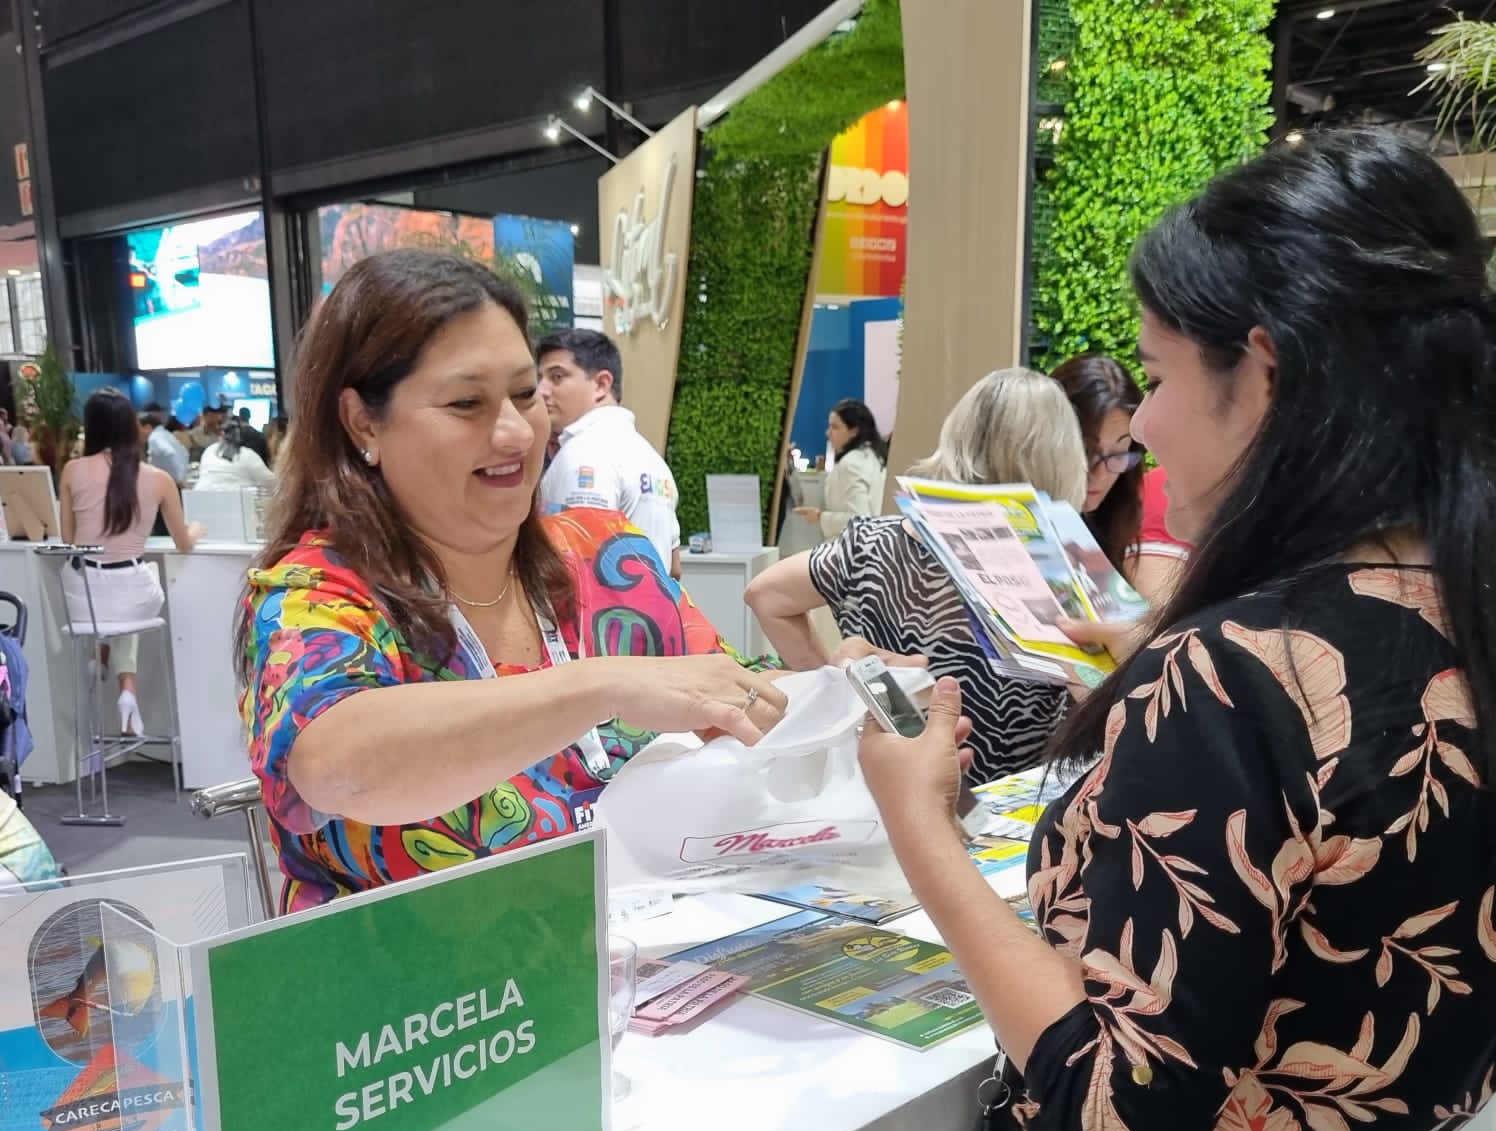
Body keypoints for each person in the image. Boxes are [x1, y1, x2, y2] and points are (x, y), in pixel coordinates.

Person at [858, 129, 1496, 1131]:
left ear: (1262, 369)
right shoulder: (1453, 613)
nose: (1138, 422)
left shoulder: (1229, 673)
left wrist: (924, 834)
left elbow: (1126, 1107)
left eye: (1157, 374)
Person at [237, 251, 785, 914]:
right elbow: (333, 761)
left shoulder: (608, 554)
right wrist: (601, 685)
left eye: (527, 395)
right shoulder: (312, 596)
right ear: (362, 423)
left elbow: (728, 695)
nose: (515, 433)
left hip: (657, 968)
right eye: (467, 403)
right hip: (435, 1006)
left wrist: (839, 685)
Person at [746, 367, 1087, 783]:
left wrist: (835, 686)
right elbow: (1112, 706)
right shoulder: (1054, 570)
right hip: (1003, 818)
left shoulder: (872, 542)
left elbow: (765, 595)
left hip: (883, 794)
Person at [59, 389, 202, 736]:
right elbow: (183, 544)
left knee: (110, 597)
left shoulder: (72, 471)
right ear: (131, 427)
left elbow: (68, 539)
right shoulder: (158, 479)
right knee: (136, 583)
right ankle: (127, 687)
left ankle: (103, 655)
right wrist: (197, 529)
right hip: (131, 595)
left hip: (83, 600)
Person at [536, 329, 681, 577]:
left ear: (601, 384)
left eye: (557, 377)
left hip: (597, 614)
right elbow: (675, 567)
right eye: (540, 379)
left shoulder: (583, 453)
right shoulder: (650, 458)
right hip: (651, 613)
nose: (542, 391)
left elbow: (580, 566)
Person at [793, 398, 888, 540]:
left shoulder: (851, 464)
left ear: (854, 431)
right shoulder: (875, 458)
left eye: (835, 427)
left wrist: (820, 517)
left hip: (851, 551)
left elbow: (860, 521)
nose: (828, 433)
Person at [199, 415, 276, 491]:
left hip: (202, 498)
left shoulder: (209, 450)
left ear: (221, 434)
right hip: (235, 500)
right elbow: (270, 482)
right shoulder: (246, 454)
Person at [138, 404, 188, 486]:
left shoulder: (154, 438)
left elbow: (170, 453)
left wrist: (178, 478)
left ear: (147, 427)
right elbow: (184, 452)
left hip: (170, 483)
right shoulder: (165, 433)